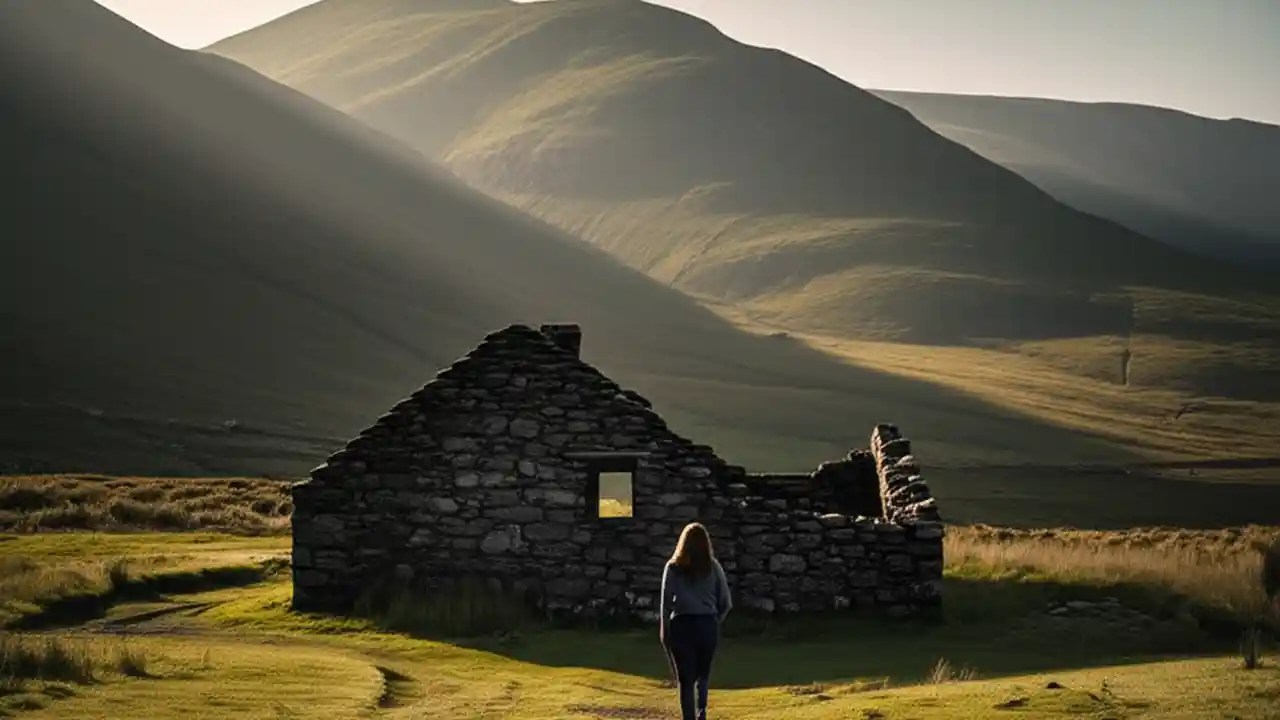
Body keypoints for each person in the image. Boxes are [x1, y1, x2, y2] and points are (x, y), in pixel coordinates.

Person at [659, 522, 732, 720]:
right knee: (703, 674)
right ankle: (702, 711)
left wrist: (664, 631)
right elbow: (726, 602)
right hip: (707, 625)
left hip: (682, 625)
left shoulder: (673, 568)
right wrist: (714, 620)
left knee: (686, 680)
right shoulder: (713, 567)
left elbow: (665, 605)